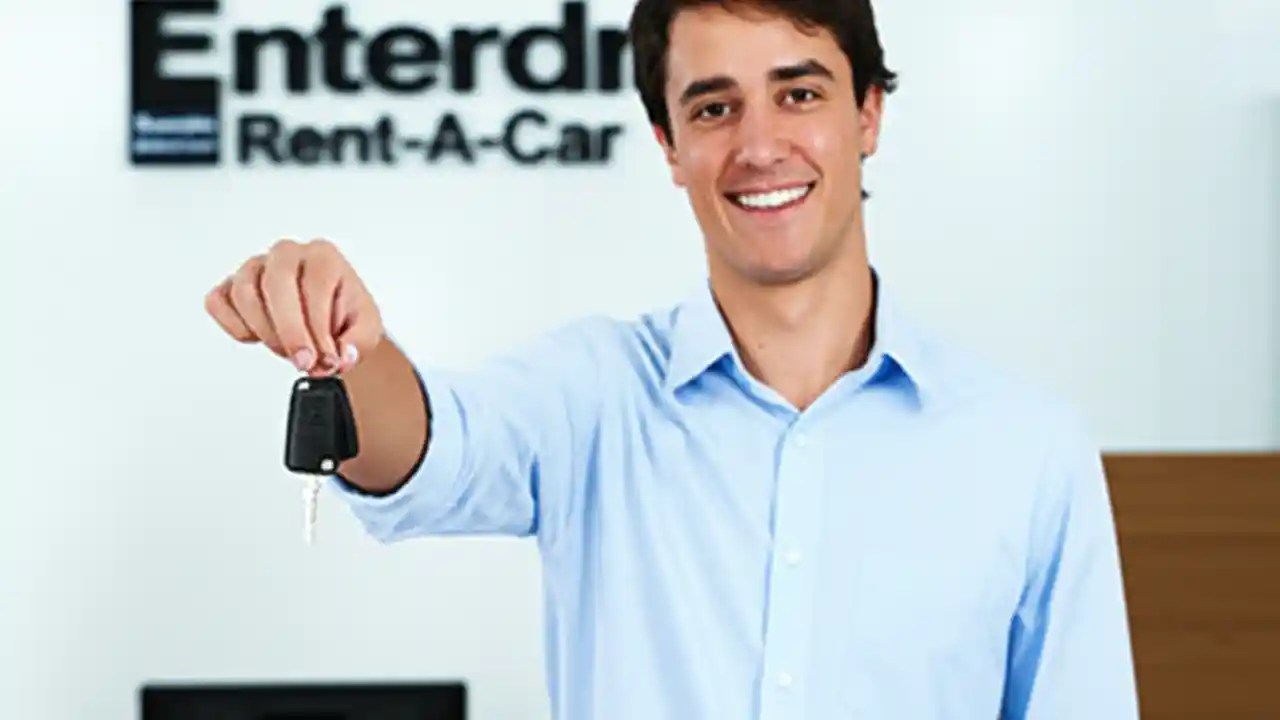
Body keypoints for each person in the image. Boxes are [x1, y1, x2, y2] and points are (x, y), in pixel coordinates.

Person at [204, 0, 1140, 718]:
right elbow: (430, 446)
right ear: (670, 145)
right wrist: (348, 345)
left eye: (800, 93)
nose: (760, 146)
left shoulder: (1027, 450)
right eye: (715, 107)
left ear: (868, 114)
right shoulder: (594, 396)